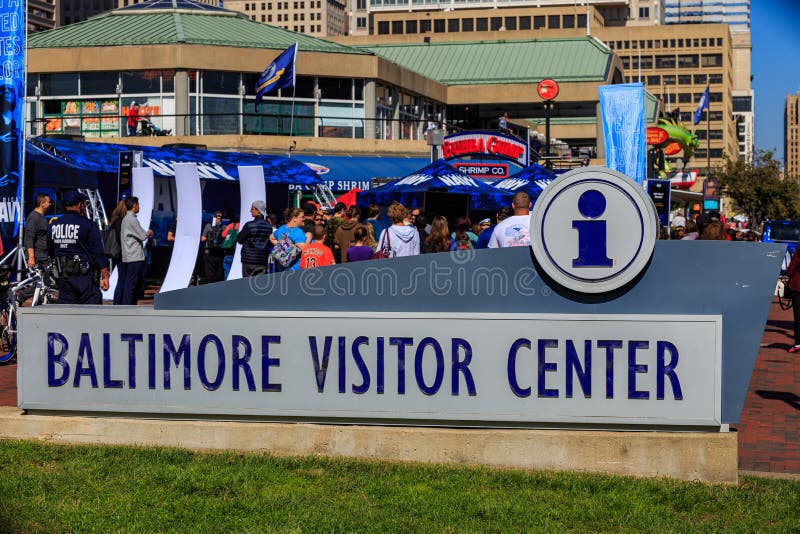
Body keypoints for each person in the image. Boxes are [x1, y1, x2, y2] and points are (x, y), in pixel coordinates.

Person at [48, 190, 109, 304]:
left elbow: (50, 251)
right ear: (79, 204)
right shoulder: (88, 225)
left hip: (64, 277)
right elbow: (98, 253)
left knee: (66, 311)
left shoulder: (53, 225)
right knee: (90, 310)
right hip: (84, 277)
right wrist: (105, 276)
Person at [118, 196, 152, 305]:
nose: (139, 207)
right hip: (134, 256)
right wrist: (149, 233)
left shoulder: (126, 218)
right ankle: (128, 305)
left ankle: (128, 304)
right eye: (138, 205)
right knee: (132, 283)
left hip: (129, 255)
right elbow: (143, 235)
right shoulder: (132, 219)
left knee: (131, 282)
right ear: (134, 205)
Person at [237, 200, 273, 277]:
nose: (250, 211)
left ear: (258, 210)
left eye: (252, 209)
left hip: (248, 259)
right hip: (262, 260)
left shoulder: (249, 225)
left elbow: (240, 240)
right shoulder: (269, 227)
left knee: (247, 282)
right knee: (259, 283)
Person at [24, 193, 52, 268]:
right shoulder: (33, 217)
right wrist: (31, 257)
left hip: (43, 256)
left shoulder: (42, 217)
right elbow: (29, 238)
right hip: (38, 258)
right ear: (42, 203)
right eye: (49, 202)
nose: (50, 204)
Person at [201, 210, 226, 283]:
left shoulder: (208, 226)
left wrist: (209, 238)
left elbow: (202, 239)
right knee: (219, 274)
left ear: (213, 217)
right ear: (221, 218)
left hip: (209, 252)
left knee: (209, 274)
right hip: (220, 253)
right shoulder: (224, 227)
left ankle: (210, 287)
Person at [786, 247, 800, 353]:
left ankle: (798, 344)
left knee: (798, 316)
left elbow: (792, 268)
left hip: (798, 286)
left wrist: (789, 274)